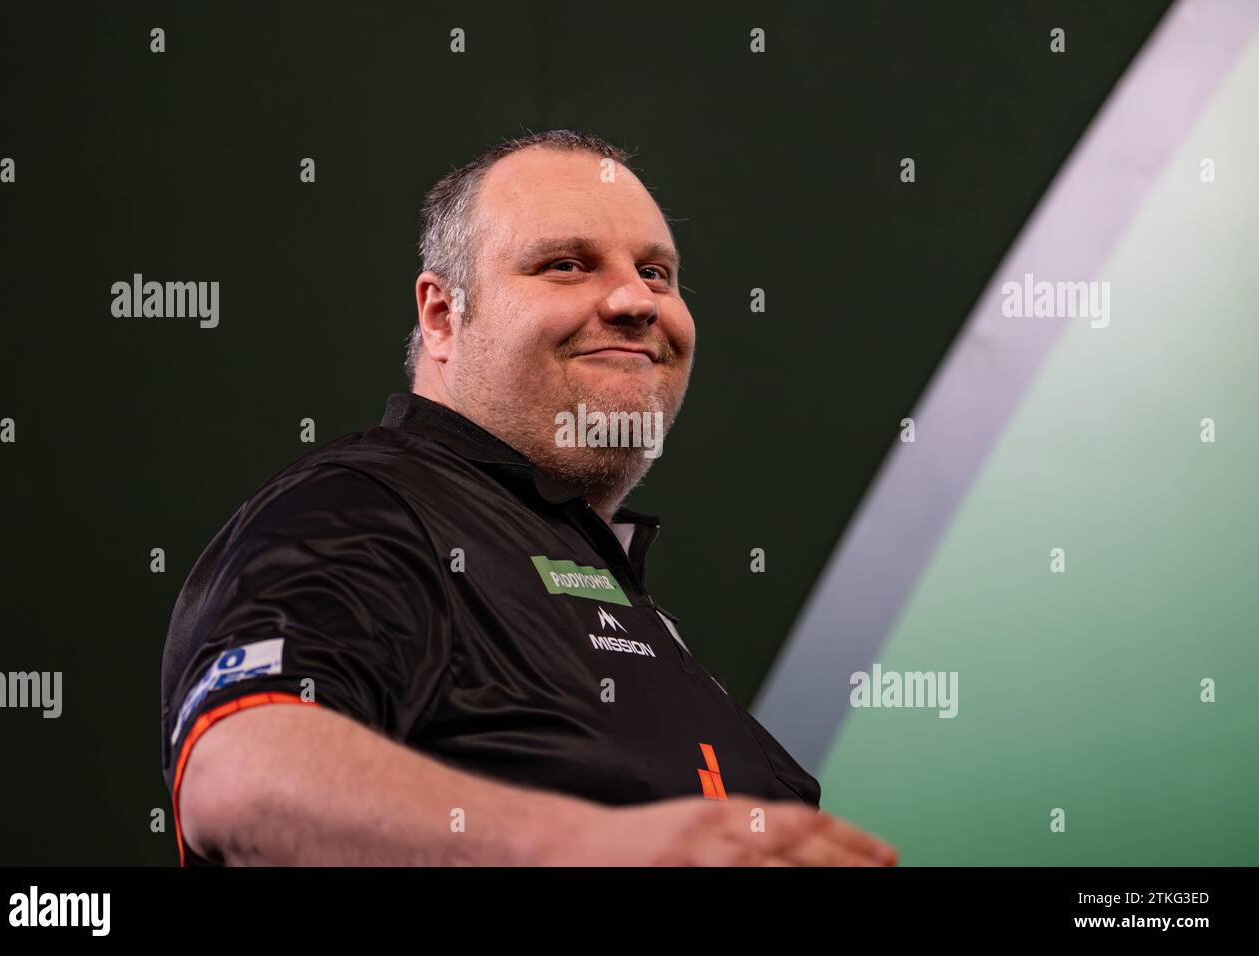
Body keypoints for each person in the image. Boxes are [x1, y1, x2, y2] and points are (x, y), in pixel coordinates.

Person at [160, 129, 898, 867]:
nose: (635, 300)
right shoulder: (362, 507)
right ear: (443, 315)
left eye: (657, 273)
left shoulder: (609, 591)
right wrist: (592, 844)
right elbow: (239, 773)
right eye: (567, 265)